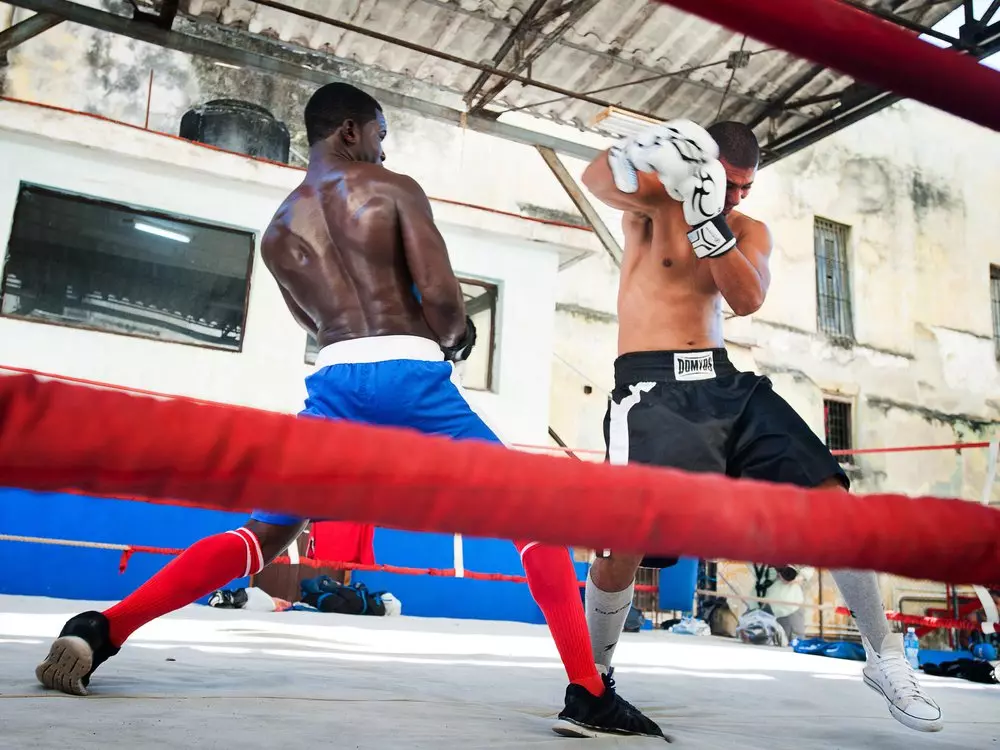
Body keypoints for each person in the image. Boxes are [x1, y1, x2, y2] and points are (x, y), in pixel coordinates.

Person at [34, 82, 664, 741]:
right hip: (411, 377)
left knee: (266, 535)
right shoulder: (392, 192)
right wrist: (453, 336)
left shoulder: (277, 232)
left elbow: (312, 322)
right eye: (381, 136)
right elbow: (447, 306)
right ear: (350, 132)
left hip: (334, 382)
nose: (385, 152)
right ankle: (589, 693)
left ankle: (103, 629)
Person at [579, 120, 943, 733]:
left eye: (749, 187)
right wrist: (647, 152)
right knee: (622, 545)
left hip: (725, 382)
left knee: (835, 503)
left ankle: (885, 658)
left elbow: (747, 300)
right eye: (731, 183)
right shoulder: (651, 206)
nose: (740, 197)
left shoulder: (745, 228)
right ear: (706, 168)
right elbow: (596, 178)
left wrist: (710, 222)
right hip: (651, 387)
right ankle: (593, 679)